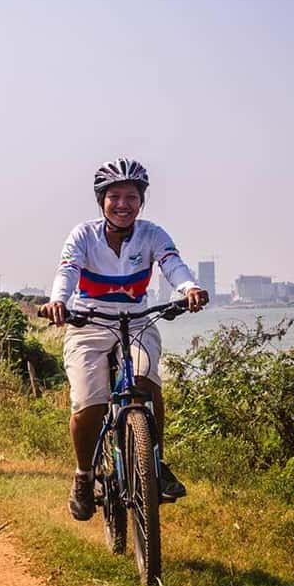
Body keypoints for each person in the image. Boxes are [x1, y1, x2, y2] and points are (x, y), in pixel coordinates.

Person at [40, 157, 208, 522]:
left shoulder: (153, 234)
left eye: (131, 196)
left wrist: (189, 286)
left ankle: (156, 463)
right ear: (101, 200)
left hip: (137, 320)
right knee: (88, 403)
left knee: (148, 382)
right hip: (89, 322)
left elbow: (171, 262)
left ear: (141, 200)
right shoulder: (83, 235)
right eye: (114, 196)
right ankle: (84, 476)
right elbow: (67, 270)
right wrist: (59, 301)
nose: (123, 204)